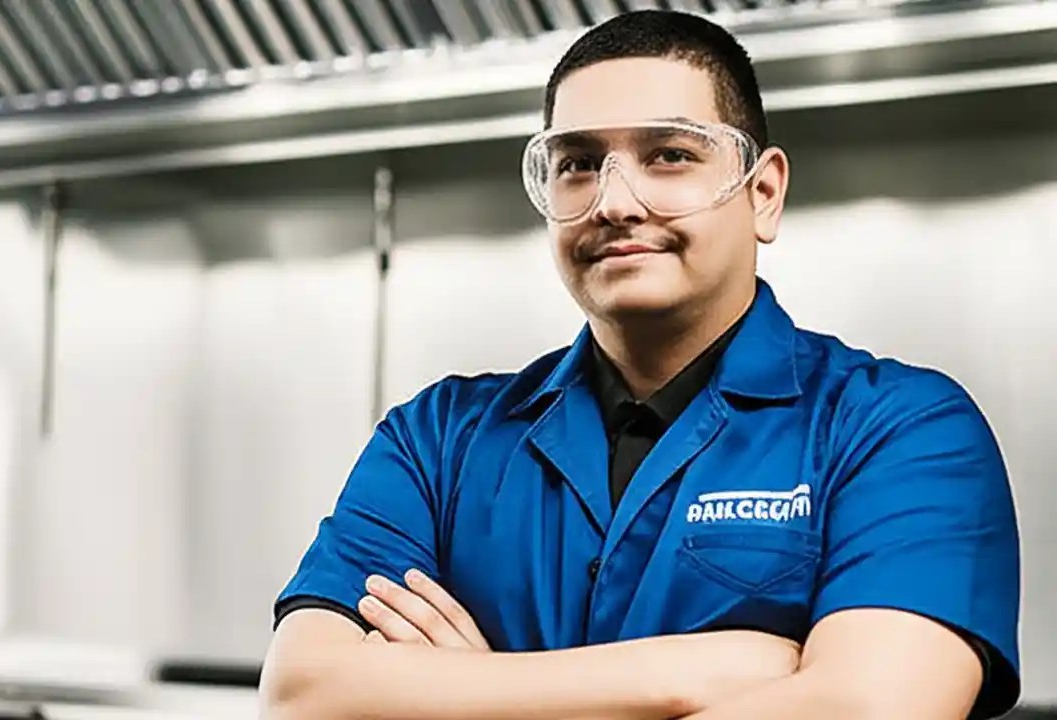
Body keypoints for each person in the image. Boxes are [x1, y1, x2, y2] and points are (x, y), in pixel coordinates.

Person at [257, 9, 1021, 720]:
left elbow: (865, 711)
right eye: (579, 164)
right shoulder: (437, 439)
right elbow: (302, 692)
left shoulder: (901, 431)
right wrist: (696, 673)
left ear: (763, 193)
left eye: (670, 155)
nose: (614, 201)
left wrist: (464, 698)